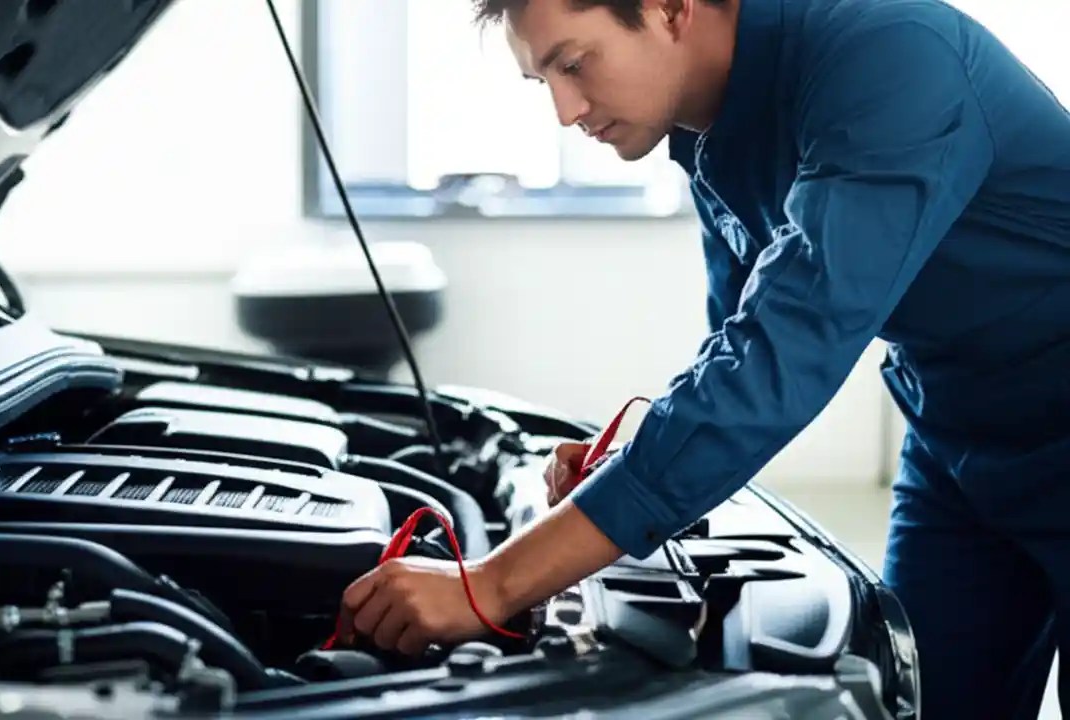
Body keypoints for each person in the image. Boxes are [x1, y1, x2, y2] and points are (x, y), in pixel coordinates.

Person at [334, 0, 1070, 716]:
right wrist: (625, 466)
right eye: (543, 82)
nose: (564, 109)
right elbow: (735, 339)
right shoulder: (708, 126)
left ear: (669, 8)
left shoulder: (894, 56)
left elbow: (779, 360)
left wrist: (493, 584)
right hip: (955, 440)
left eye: (574, 64)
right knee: (925, 699)